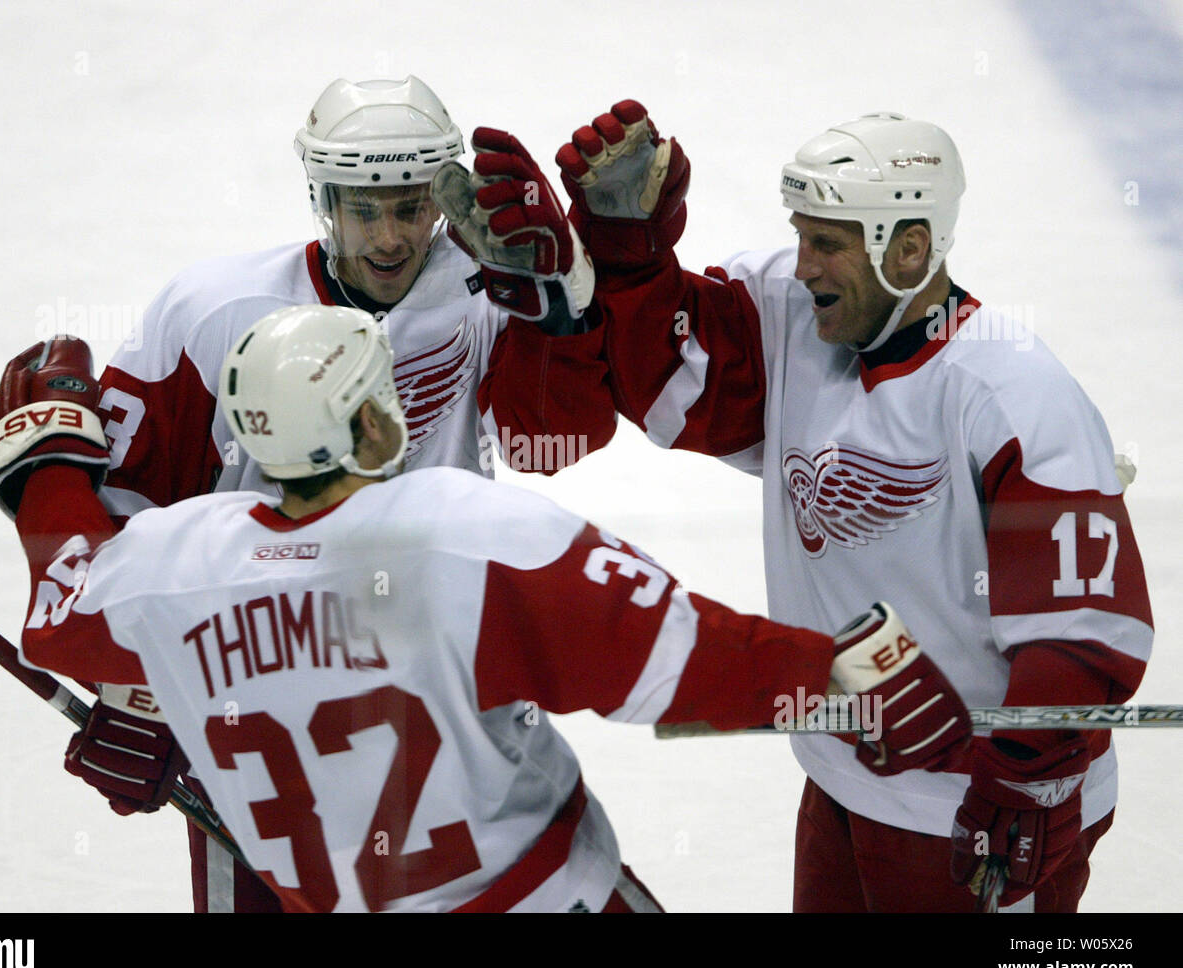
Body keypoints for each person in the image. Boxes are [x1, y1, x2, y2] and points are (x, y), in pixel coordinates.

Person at [0, 306, 972, 912]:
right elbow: (681, 660)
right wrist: (844, 682)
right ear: (370, 420)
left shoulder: (175, 565)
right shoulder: (461, 536)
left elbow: (65, 602)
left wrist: (44, 467)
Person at [453, 103, 1154, 911]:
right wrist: (629, 256)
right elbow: (675, 391)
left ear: (910, 248)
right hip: (845, 777)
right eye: (802, 235)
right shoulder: (796, 321)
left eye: (828, 243)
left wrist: (1027, 779)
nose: (805, 265)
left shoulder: (1010, 392)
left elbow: (1085, 630)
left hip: (973, 809)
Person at [67, 75, 611, 911]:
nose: (391, 238)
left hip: (439, 675)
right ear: (323, 199)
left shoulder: (483, 290)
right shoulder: (215, 310)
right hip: (260, 674)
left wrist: (565, 304)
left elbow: (551, 443)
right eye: (365, 209)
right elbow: (128, 507)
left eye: (411, 207)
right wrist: (139, 690)